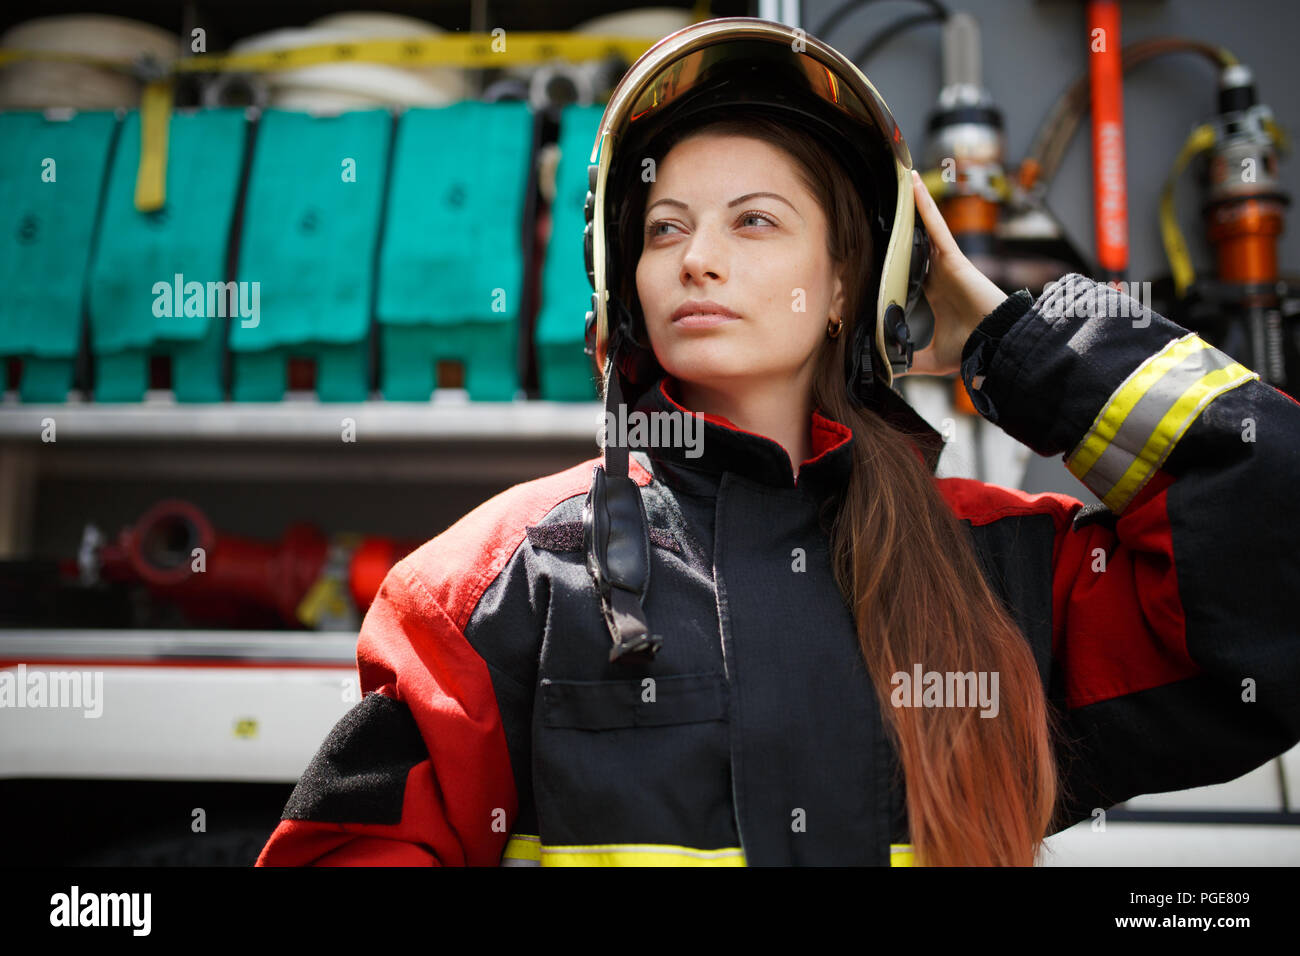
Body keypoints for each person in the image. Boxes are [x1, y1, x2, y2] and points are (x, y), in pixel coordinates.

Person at [256, 17, 1300, 867]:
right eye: (664, 227)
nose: (695, 258)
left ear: (850, 279)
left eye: (752, 222)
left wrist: (999, 332)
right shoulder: (493, 584)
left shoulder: (1001, 572)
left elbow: (1273, 558)